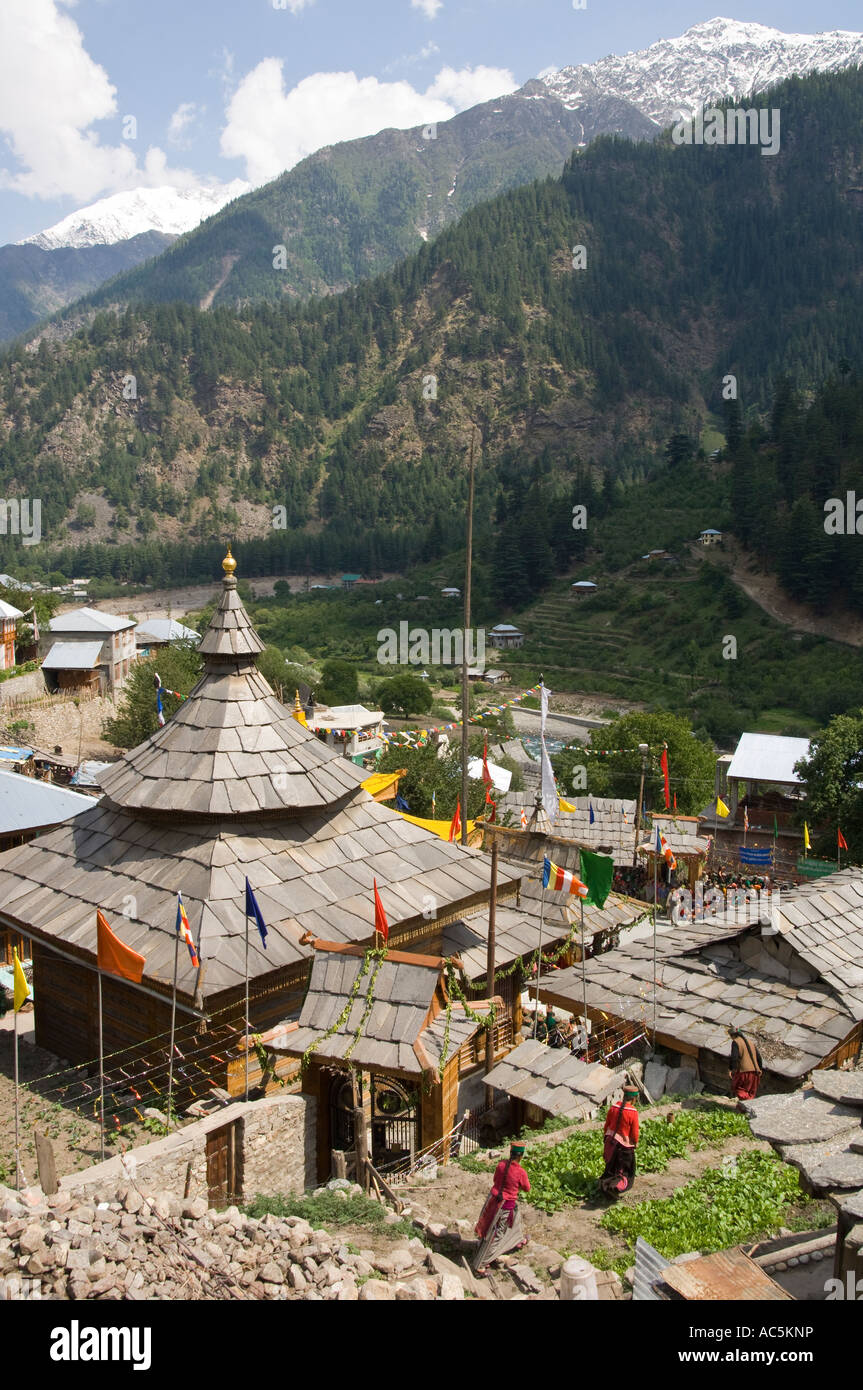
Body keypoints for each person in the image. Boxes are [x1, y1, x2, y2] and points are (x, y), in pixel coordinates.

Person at [474, 1141, 531, 1274]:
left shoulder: (501, 1165)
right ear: (521, 1156)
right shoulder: (520, 1172)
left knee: (491, 1224)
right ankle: (482, 1263)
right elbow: (527, 1188)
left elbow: (495, 1180)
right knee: (497, 1233)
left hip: (493, 1199)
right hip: (505, 1204)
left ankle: (518, 1239)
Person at [600, 1084, 640, 1198]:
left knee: (611, 1167)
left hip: (610, 1142)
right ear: (634, 1099)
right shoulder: (632, 1112)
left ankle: (605, 1184)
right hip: (623, 1147)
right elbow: (634, 1132)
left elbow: (606, 1125)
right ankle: (615, 1187)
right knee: (624, 1170)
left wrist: (606, 1139)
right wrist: (635, 1142)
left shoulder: (613, 1108)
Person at [729, 1026, 763, 1100]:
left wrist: (732, 1069)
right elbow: (759, 1058)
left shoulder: (736, 1042)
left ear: (732, 1035)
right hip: (755, 1073)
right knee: (751, 1093)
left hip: (743, 1073)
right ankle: (747, 1108)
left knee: (738, 1088)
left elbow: (734, 1058)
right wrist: (760, 1069)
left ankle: (745, 1107)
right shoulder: (751, 1042)